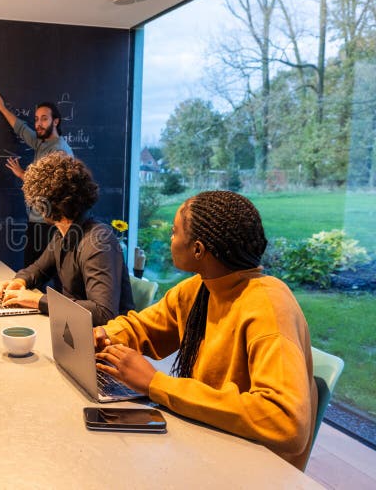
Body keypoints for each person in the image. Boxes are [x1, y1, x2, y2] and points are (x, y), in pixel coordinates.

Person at [93, 190, 317, 470]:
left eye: (174, 233)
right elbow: (142, 326)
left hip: (251, 468)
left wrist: (155, 384)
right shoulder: (201, 288)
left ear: (198, 250)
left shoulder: (268, 306)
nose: (170, 239)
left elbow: (286, 422)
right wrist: (106, 335)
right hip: (206, 442)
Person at [0, 153, 134, 325]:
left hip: (106, 342)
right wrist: (19, 281)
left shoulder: (98, 242)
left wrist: (37, 301)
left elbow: (103, 314)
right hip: (72, 330)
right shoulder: (62, 233)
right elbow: (39, 269)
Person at [0, 87, 73, 270]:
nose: (38, 124)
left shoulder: (59, 151)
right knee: (33, 272)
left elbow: (52, 186)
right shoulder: (43, 142)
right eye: (36, 119)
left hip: (51, 224)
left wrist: (22, 175)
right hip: (38, 221)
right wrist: (1, 108)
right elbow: (22, 129)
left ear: (55, 121)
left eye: (44, 119)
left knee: (45, 274)